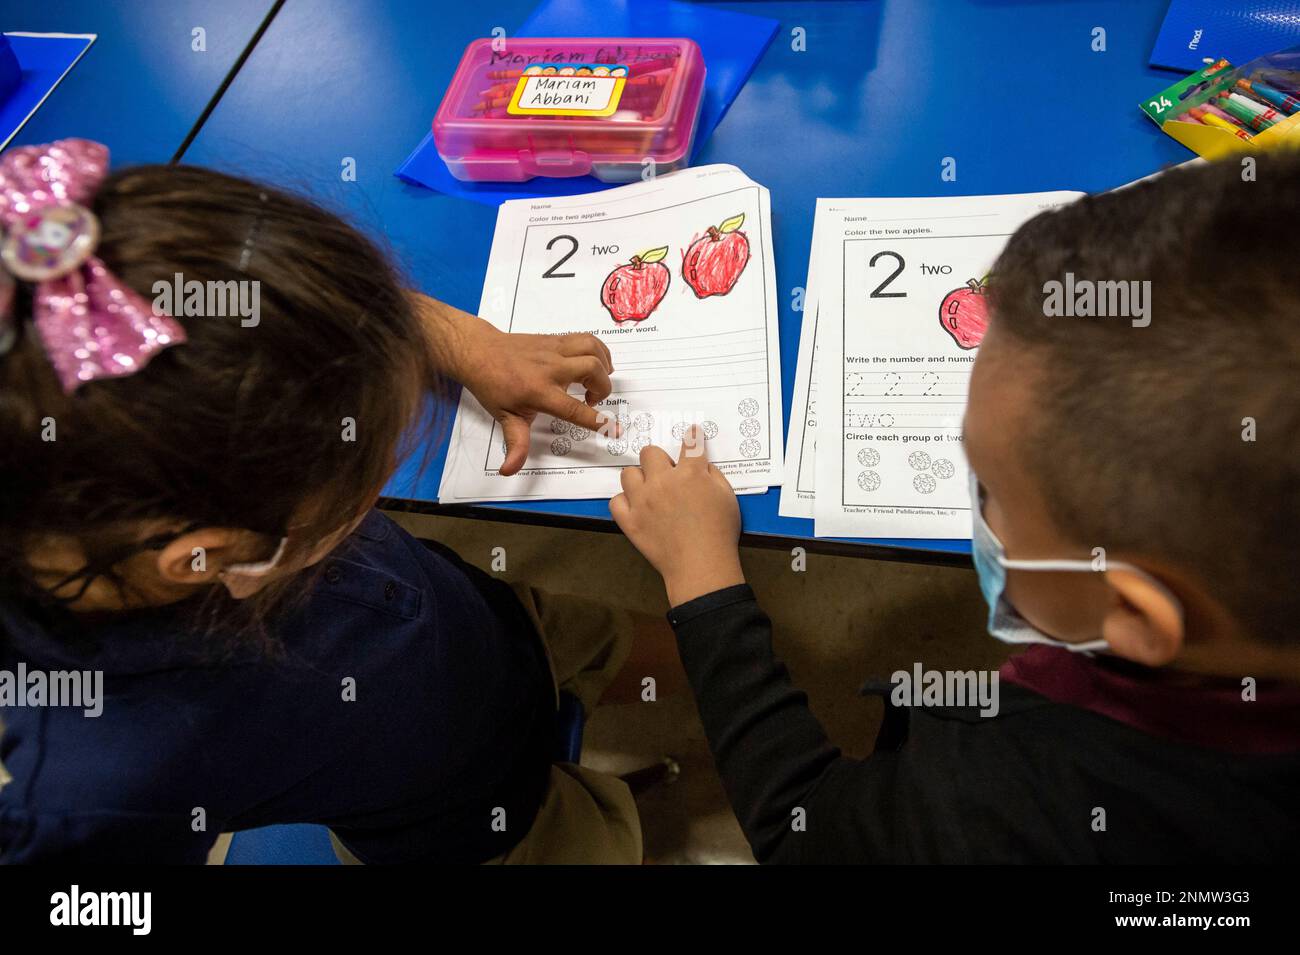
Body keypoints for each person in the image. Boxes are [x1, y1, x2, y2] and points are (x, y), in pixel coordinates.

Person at [0, 138, 677, 864]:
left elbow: (310, 322)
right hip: (463, 823)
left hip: (484, 623)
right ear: (206, 554)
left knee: (649, 646)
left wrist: (472, 343)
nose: (381, 470)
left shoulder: (136, 408)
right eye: (366, 475)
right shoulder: (91, 789)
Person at [611, 154, 1300, 862]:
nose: (977, 502)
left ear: (1133, 614)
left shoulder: (1003, 804)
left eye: (991, 490)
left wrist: (702, 577)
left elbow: (799, 828)